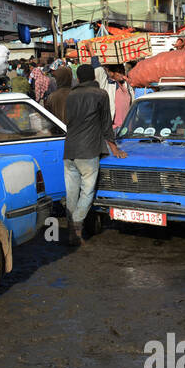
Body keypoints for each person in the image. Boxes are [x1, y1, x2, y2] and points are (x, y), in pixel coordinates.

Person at [62, 64, 125, 246]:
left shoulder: (71, 95)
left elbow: (69, 122)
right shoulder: (101, 95)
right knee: (87, 192)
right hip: (88, 151)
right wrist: (115, 149)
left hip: (69, 150)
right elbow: (106, 125)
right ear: (94, 78)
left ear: (79, 79)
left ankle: (73, 232)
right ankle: (77, 224)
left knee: (72, 193)